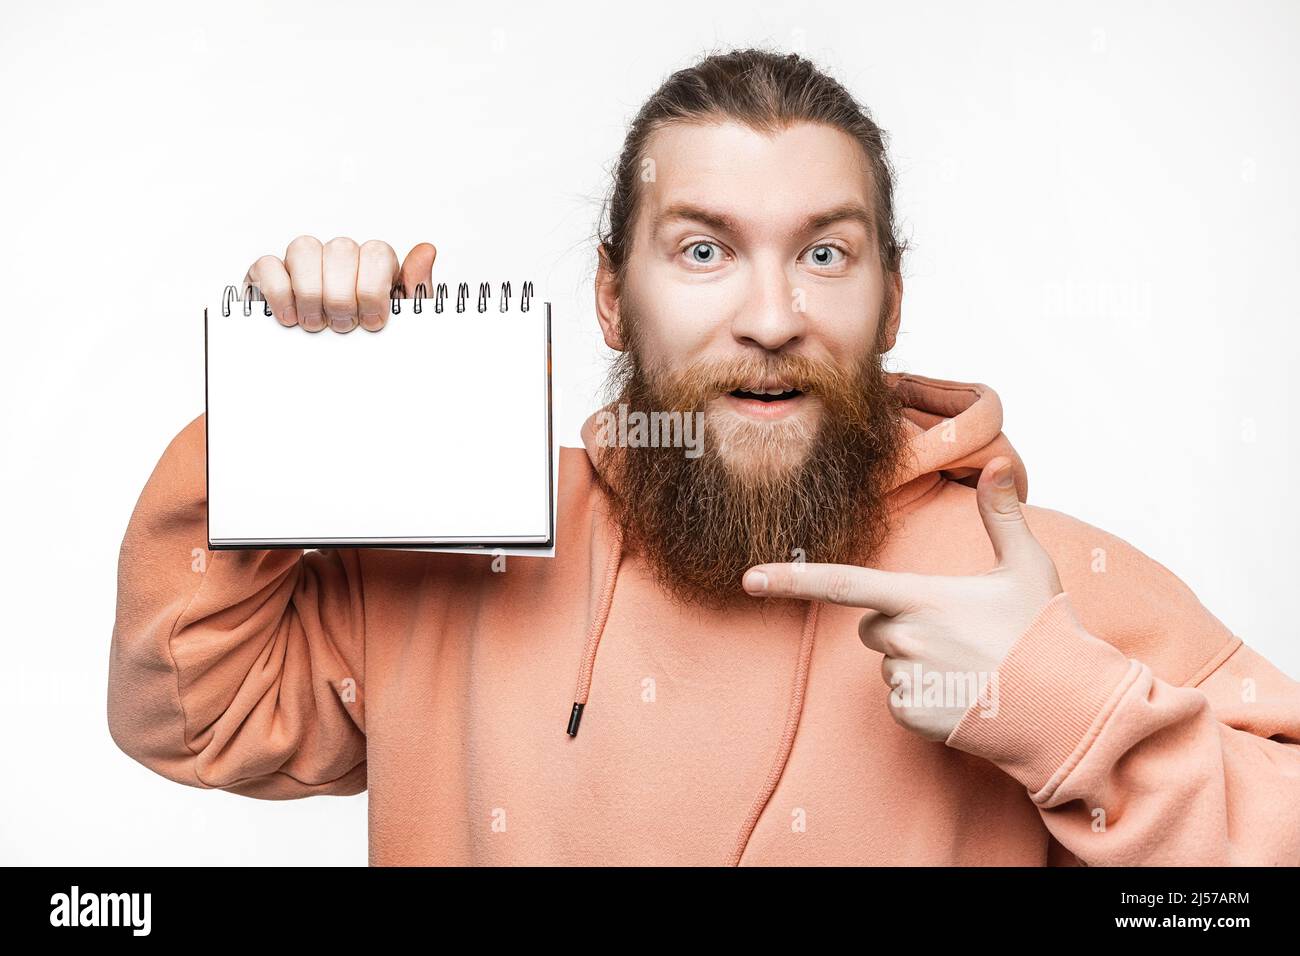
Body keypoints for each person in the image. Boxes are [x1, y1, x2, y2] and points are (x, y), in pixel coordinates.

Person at [108, 47, 1300, 866]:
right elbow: (188, 714)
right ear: (611, 302)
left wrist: (1063, 703)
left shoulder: (1036, 580)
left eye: (826, 255)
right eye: (702, 251)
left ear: (890, 303)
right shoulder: (461, 559)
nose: (772, 314)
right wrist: (289, 407)